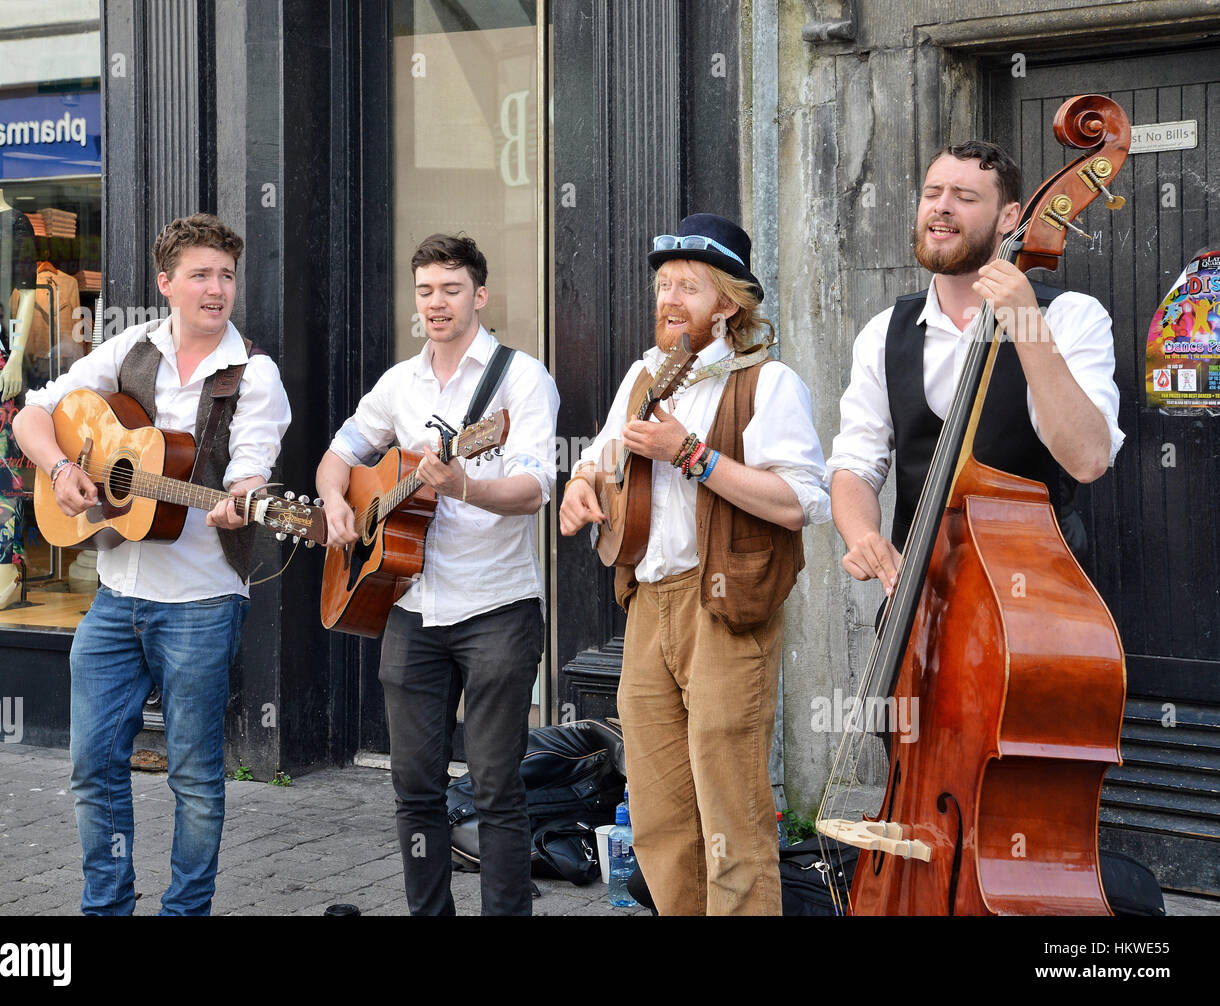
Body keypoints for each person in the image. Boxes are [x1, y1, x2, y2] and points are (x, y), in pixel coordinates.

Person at [12, 213, 291, 915]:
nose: (216, 288)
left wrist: (244, 501)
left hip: (200, 602)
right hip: (114, 597)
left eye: (226, 275)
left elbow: (252, 471)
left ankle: (185, 910)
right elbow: (31, 415)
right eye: (200, 274)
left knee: (195, 777)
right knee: (92, 767)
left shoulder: (252, 376)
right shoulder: (130, 346)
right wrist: (64, 469)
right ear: (166, 283)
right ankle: (106, 905)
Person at [559, 213, 831, 915]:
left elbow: (801, 502)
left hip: (726, 606)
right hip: (649, 605)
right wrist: (581, 488)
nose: (668, 299)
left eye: (688, 285)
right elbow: (599, 460)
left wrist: (692, 454)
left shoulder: (768, 384)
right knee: (657, 817)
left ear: (729, 304)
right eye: (663, 285)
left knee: (730, 817)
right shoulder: (643, 376)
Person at [316, 233, 559, 916]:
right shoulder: (399, 384)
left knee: (496, 788)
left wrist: (459, 486)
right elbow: (339, 454)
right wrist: (338, 501)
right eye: (425, 291)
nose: (437, 303)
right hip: (410, 606)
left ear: (480, 296)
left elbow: (535, 489)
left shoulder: (521, 379)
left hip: (497, 608)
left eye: (451, 289)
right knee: (414, 787)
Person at [828, 140, 1123, 596]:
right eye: (932, 194)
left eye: (965, 198)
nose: (941, 208)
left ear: (1009, 217)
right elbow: (855, 462)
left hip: (1036, 600)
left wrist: (1026, 323)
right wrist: (862, 533)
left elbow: (1087, 459)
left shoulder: (1070, 317)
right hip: (922, 600)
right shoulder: (883, 331)